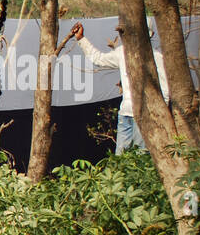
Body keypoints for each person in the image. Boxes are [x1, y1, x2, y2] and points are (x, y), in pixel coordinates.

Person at [68, 21, 170, 153]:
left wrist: (159, 116)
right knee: (120, 159)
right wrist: (81, 39)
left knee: (140, 157)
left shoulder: (157, 57)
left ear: (149, 35)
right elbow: (99, 59)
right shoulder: (123, 52)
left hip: (146, 116)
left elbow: (165, 91)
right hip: (125, 114)